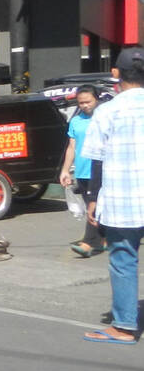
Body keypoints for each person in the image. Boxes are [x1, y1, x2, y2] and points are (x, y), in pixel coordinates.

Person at [81, 48, 144, 344]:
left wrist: (92, 199)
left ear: (115, 74)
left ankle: (124, 326)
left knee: (123, 258)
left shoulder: (107, 110)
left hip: (123, 201)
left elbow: (97, 160)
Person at [59, 85, 105, 258]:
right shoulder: (76, 121)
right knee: (92, 207)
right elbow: (72, 147)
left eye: (88, 102)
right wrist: (65, 171)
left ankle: (88, 242)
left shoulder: (104, 118)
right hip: (83, 172)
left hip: (102, 171)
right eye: (81, 103)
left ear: (97, 99)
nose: (85, 105)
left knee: (95, 207)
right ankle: (103, 239)